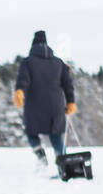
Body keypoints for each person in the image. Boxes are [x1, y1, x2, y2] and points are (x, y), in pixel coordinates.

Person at [13, 29, 76, 165]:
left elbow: (23, 79)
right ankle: (63, 162)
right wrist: (71, 102)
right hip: (56, 106)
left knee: (31, 132)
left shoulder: (27, 62)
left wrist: (19, 91)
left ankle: (41, 158)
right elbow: (68, 84)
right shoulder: (59, 63)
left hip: (35, 105)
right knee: (56, 134)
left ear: (33, 45)